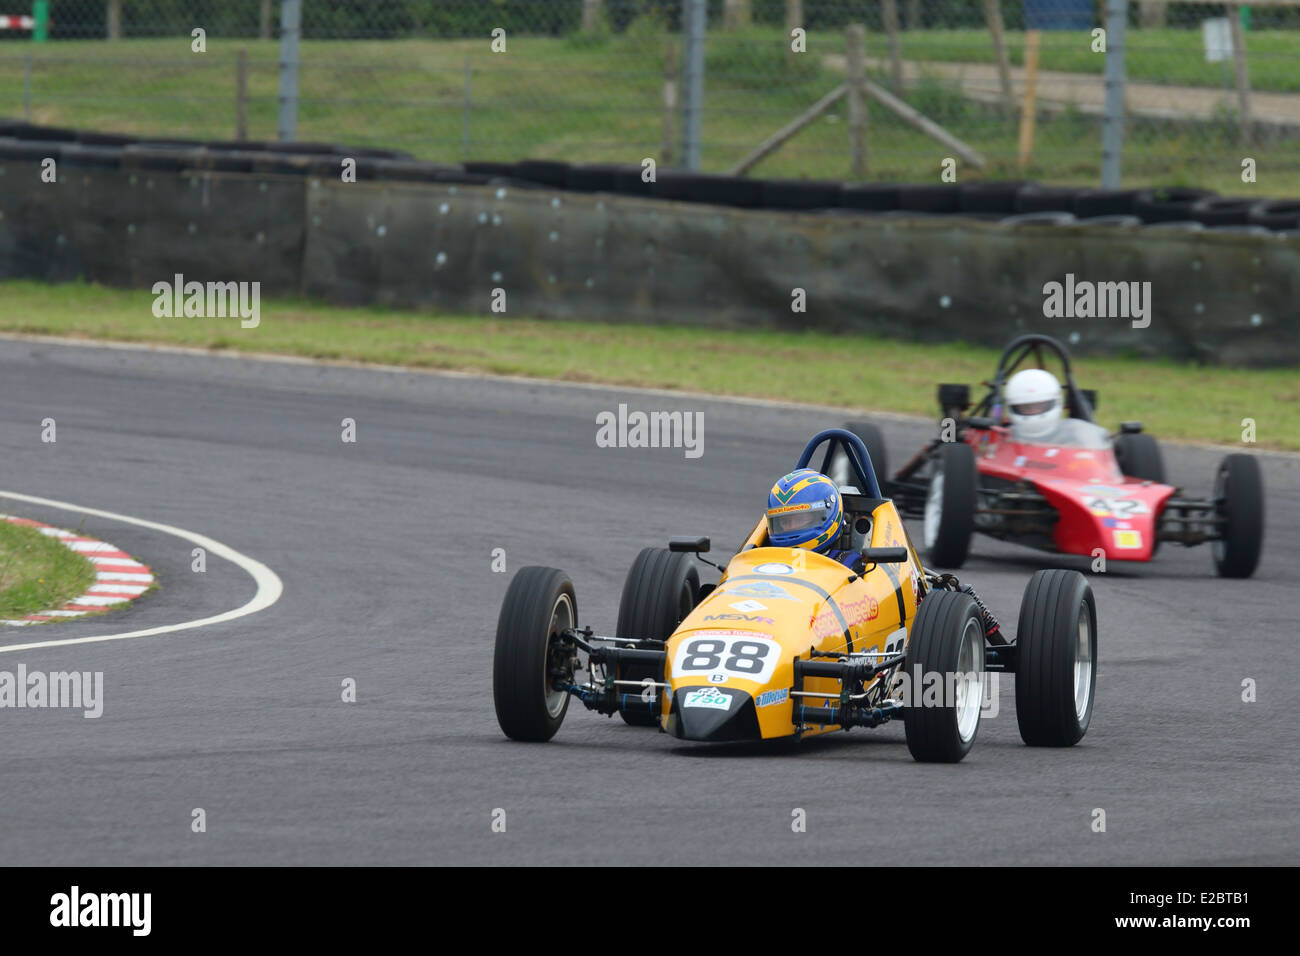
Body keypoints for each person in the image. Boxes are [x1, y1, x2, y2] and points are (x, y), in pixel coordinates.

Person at [765, 469, 859, 567]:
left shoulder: (850, 565)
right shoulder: (762, 560)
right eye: (785, 522)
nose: (792, 527)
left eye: (800, 520)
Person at [1003, 368, 1064, 442]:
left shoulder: (1072, 436)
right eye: (1026, 407)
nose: (1033, 410)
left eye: (1039, 406)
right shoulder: (1003, 439)